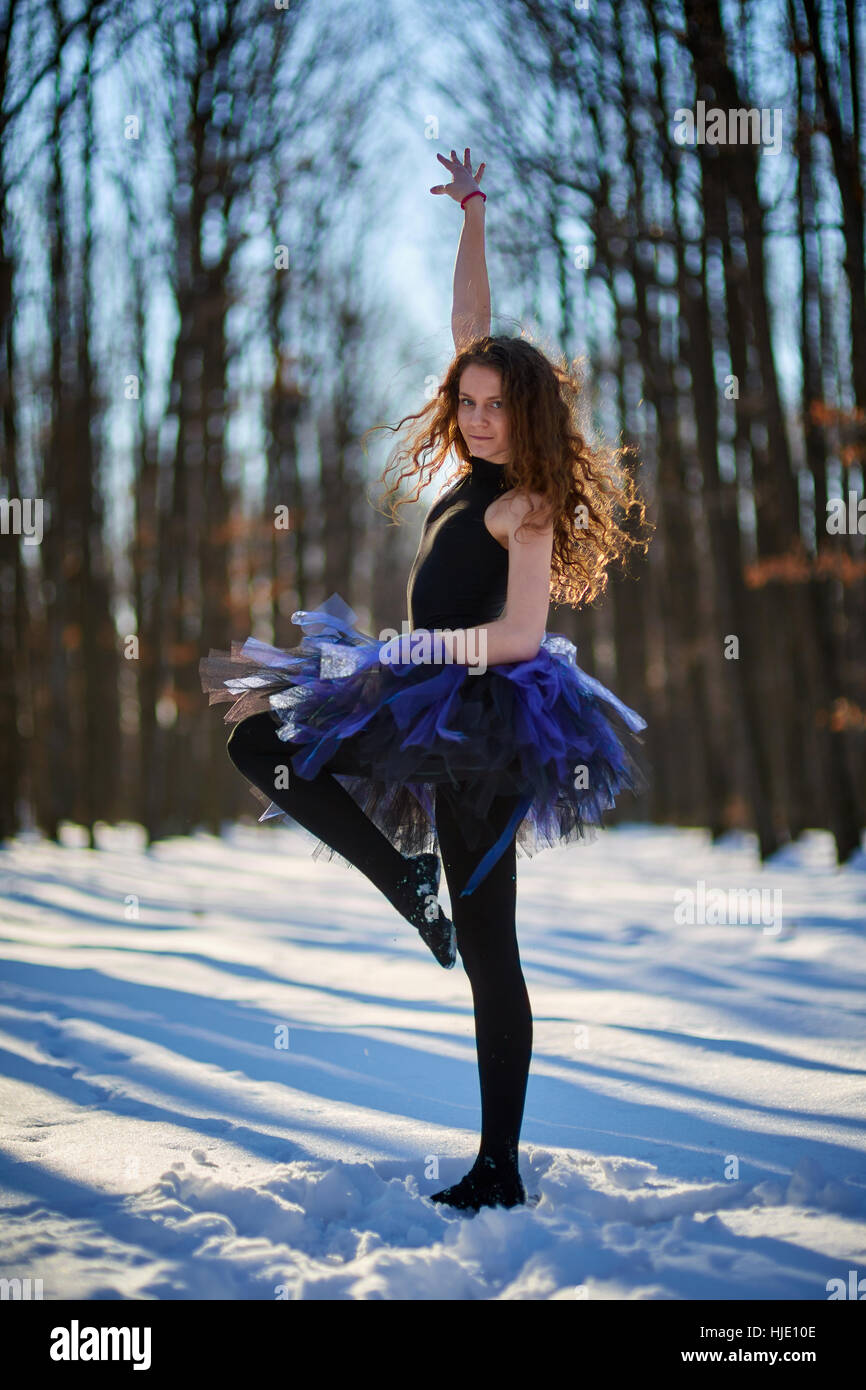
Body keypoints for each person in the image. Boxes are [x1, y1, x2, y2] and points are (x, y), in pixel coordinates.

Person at [199, 148, 652, 1214]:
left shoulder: (523, 505)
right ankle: (407, 887)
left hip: (487, 718)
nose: (478, 414)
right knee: (258, 742)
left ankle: (499, 1164)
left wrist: (413, 651)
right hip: (417, 698)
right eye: (469, 399)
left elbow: (521, 631)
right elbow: (470, 327)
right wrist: (473, 216)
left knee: (490, 944)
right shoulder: (465, 466)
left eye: (496, 403)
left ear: (527, 415)